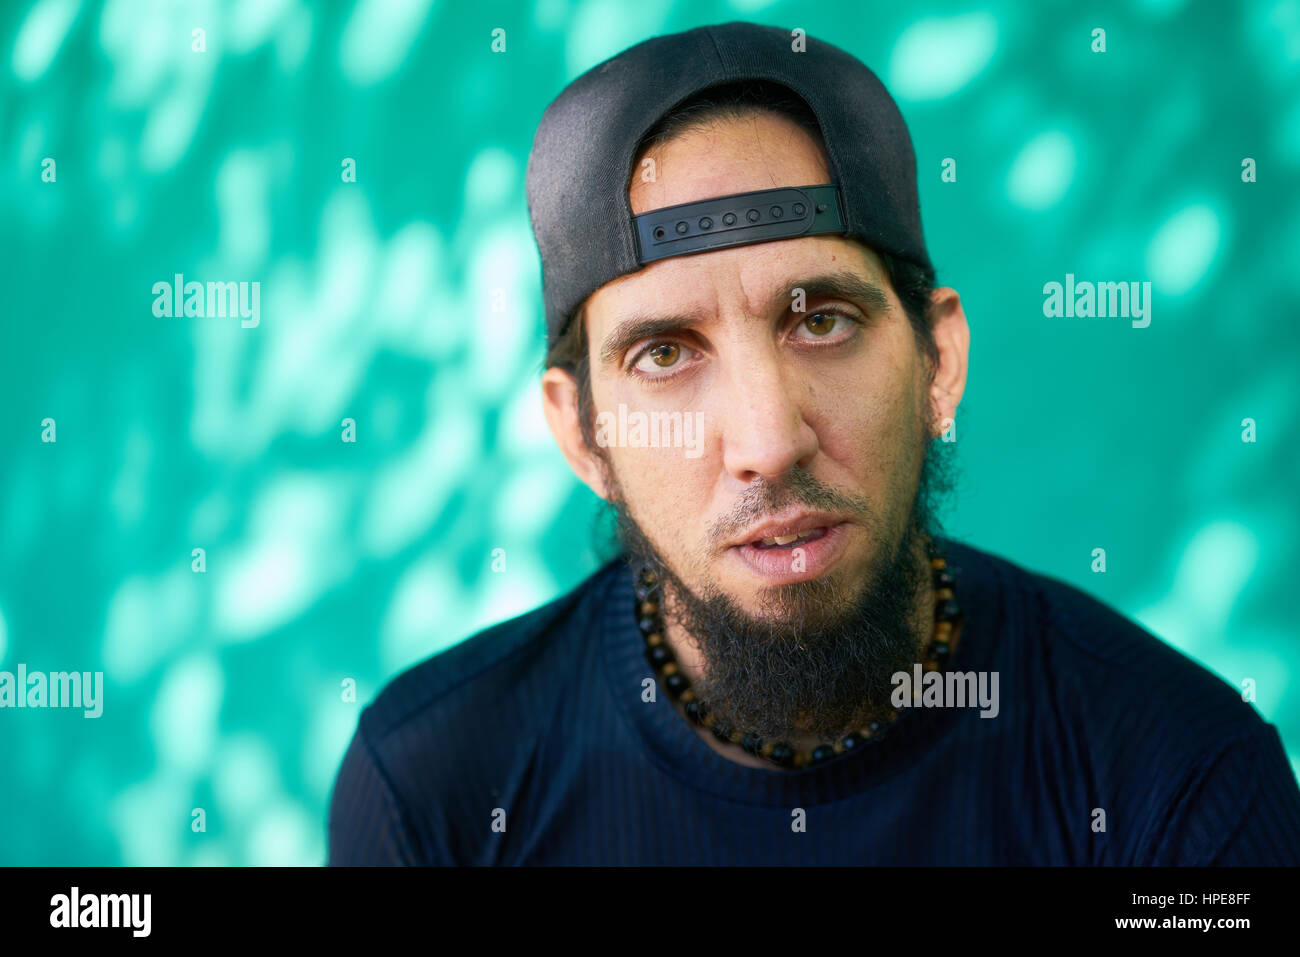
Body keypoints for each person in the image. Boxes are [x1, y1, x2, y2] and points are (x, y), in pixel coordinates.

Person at [327, 21, 1300, 865]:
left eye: (821, 321)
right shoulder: (435, 789)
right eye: (665, 351)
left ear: (936, 361)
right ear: (581, 432)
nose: (767, 441)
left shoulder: (1176, 781)